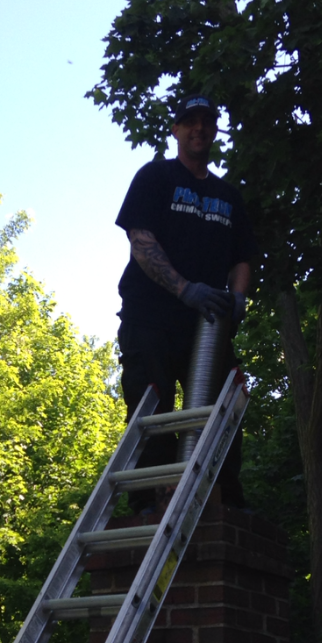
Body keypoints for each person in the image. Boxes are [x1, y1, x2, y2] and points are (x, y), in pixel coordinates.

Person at [115, 93, 258, 510]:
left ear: (214, 132)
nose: (198, 128)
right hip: (152, 318)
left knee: (224, 404)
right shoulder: (155, 177)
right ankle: (147, 502)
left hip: (208, 325)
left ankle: (225, 499)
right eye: (189, 121)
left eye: (206, 122)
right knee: (152, 404)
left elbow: (243, 256)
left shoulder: (229, 196)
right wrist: (184, 289)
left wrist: (239, 298)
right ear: (176, 130)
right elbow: (141, 242)